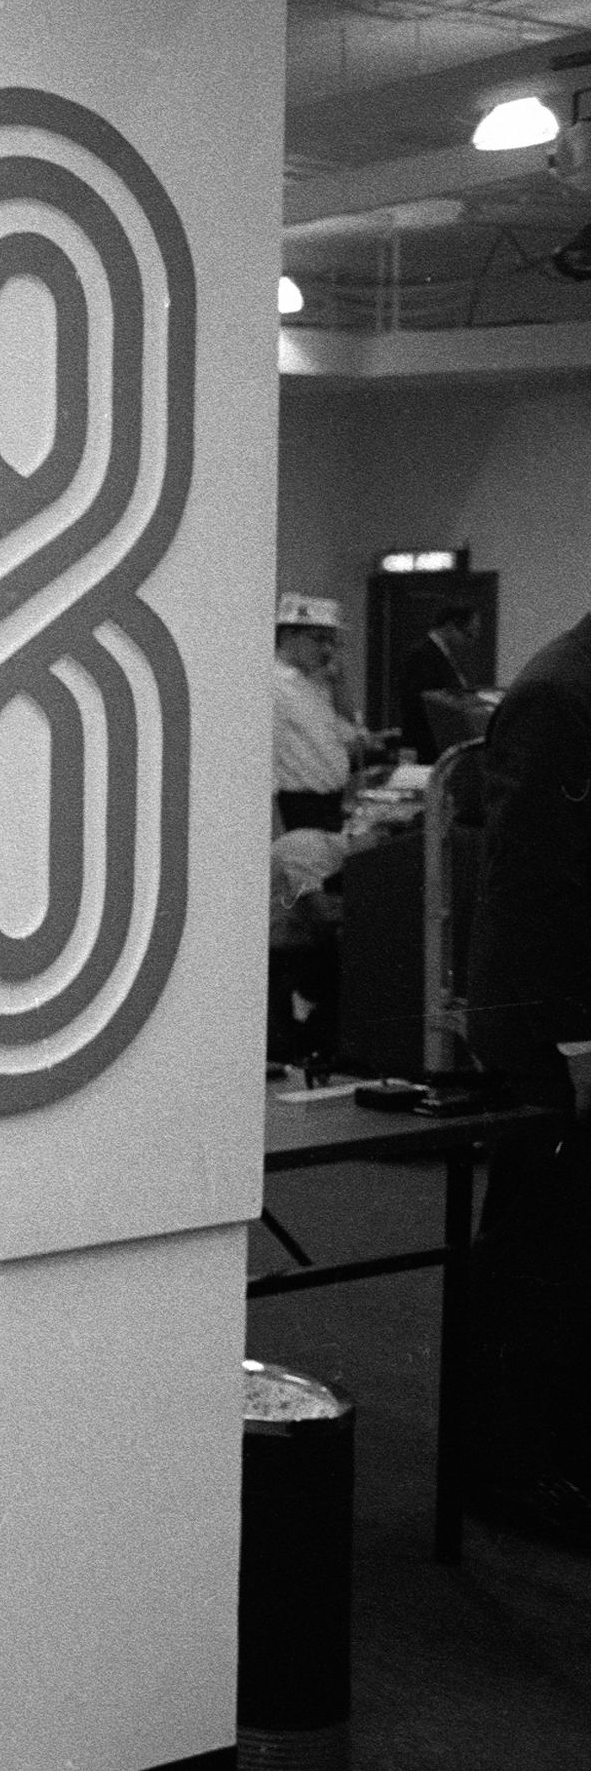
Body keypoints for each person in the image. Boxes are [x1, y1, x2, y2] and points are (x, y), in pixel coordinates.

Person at [466, 606, 591, 1547]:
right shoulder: (559, 691)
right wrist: (570, 1048)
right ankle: (511, 1467)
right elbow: (529, 890)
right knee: (541, 1248)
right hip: (555, 1031)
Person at [272, 593, 373, 831]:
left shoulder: (317, 683)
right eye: (319, 639)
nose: (328, 650)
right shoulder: (272, 686)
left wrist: (339, 684)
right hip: (296, 808)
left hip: (330, 806)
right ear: (288, 636)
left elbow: (355, 736)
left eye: (333, 641)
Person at [394, 596, 483, 760]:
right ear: (450, 626)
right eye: (468, 635)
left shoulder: (445, 656)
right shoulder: (422, 656)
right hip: (427, 748)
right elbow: (419, 706)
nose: (471, 642)